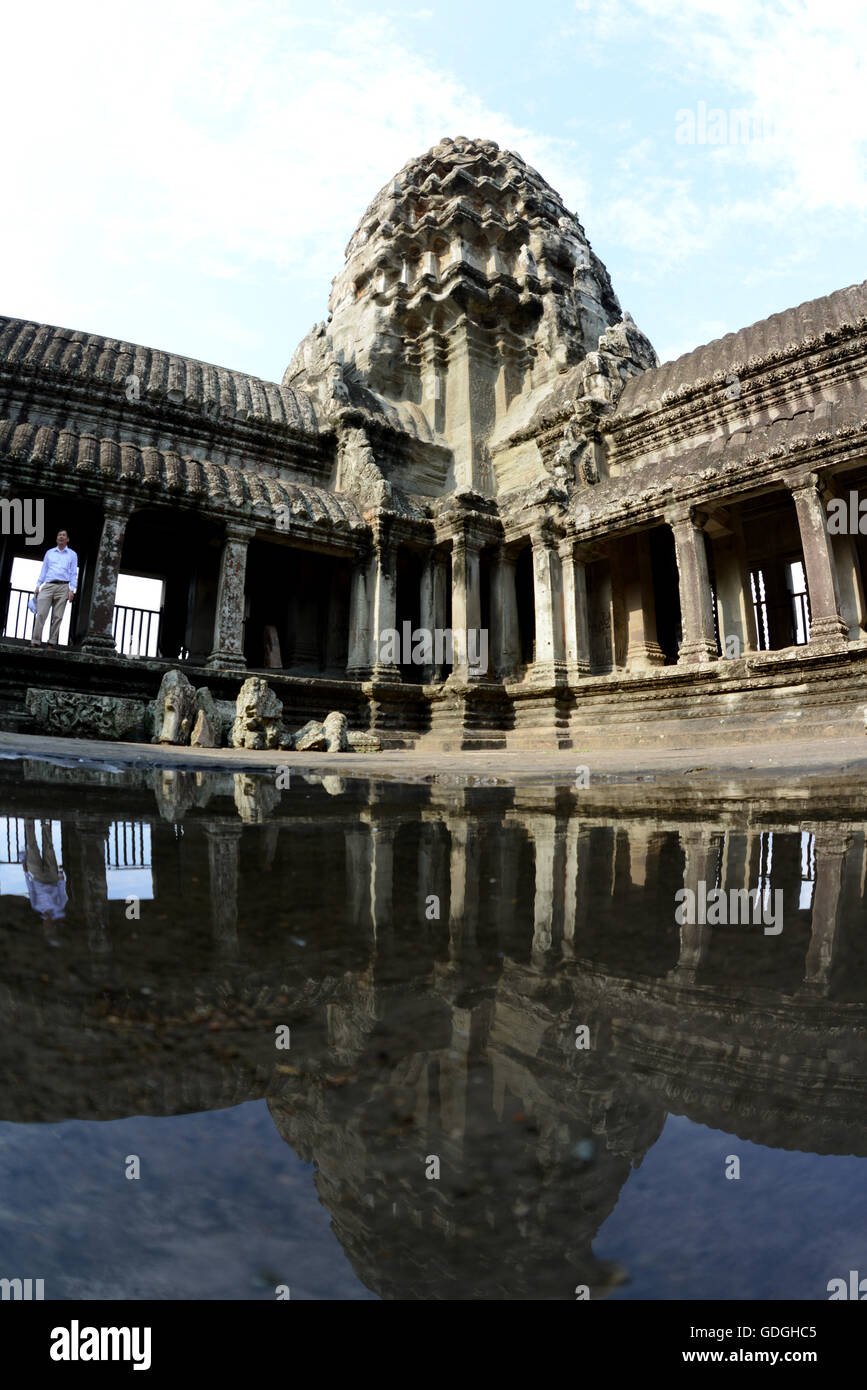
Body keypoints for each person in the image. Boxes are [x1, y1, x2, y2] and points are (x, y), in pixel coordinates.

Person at [32, 528, 78, 647]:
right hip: (48, 585)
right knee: (41, 613)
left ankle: (51, 642)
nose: (61, 537)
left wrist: (72, 590)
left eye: (63, 535)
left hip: (63, 586)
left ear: (67, 539)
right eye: (59, 535)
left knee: (58, 616)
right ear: (57, 538)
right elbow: (44, 570)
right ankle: (35, 641)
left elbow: (73, 573)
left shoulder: (72, 554)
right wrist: (38, 585)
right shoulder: (49, 552)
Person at [22, 818, 68, 925]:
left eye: (45, 925)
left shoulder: (37, 907)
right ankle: (45, 823)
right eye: (49, 925)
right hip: (53, 878)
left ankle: (28, 821)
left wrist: (26, 873)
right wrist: (61, 876)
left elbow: (31, 890)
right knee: (49, 848)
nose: (47, 923)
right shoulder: (60, 908)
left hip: (37, 878)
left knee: (31, 847)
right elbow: (62, 892)